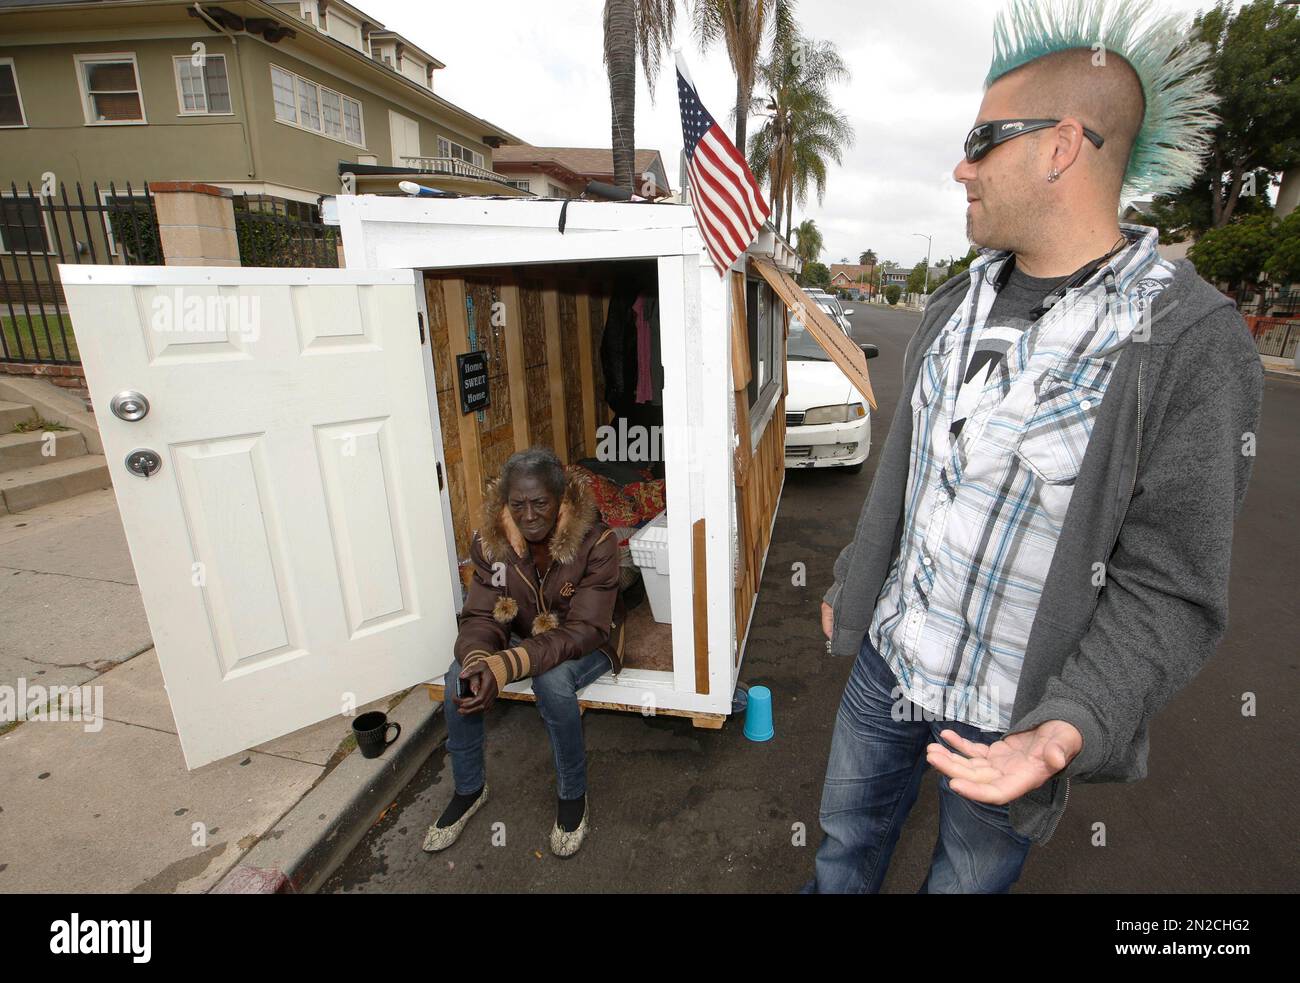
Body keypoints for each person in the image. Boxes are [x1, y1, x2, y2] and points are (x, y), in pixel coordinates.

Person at [808, 0, 1264, 893]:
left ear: (1060, 146)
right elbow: (913, 483)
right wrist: (852, 583)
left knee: (963, 885)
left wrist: (1070, 723)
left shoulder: (1191, 343)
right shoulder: (954, 302)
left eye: (981, 142)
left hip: (1008, 721)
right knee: (839, 852)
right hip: (888, 665)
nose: (959, 166)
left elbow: (1172, 583)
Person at [423, 447, 626, 858]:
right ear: (505, 503)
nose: (529, 515)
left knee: (552, 682)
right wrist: (482, 660)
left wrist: (509, 664)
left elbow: (584, 629)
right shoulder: (492, 544)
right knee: (457, 676)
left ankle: (573, 796)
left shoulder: (597, 542)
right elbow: (481, 615)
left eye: (540, 503)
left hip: (588, 639)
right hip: (523, 636)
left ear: (562, 498)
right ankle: (469, 788)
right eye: (518, 504)